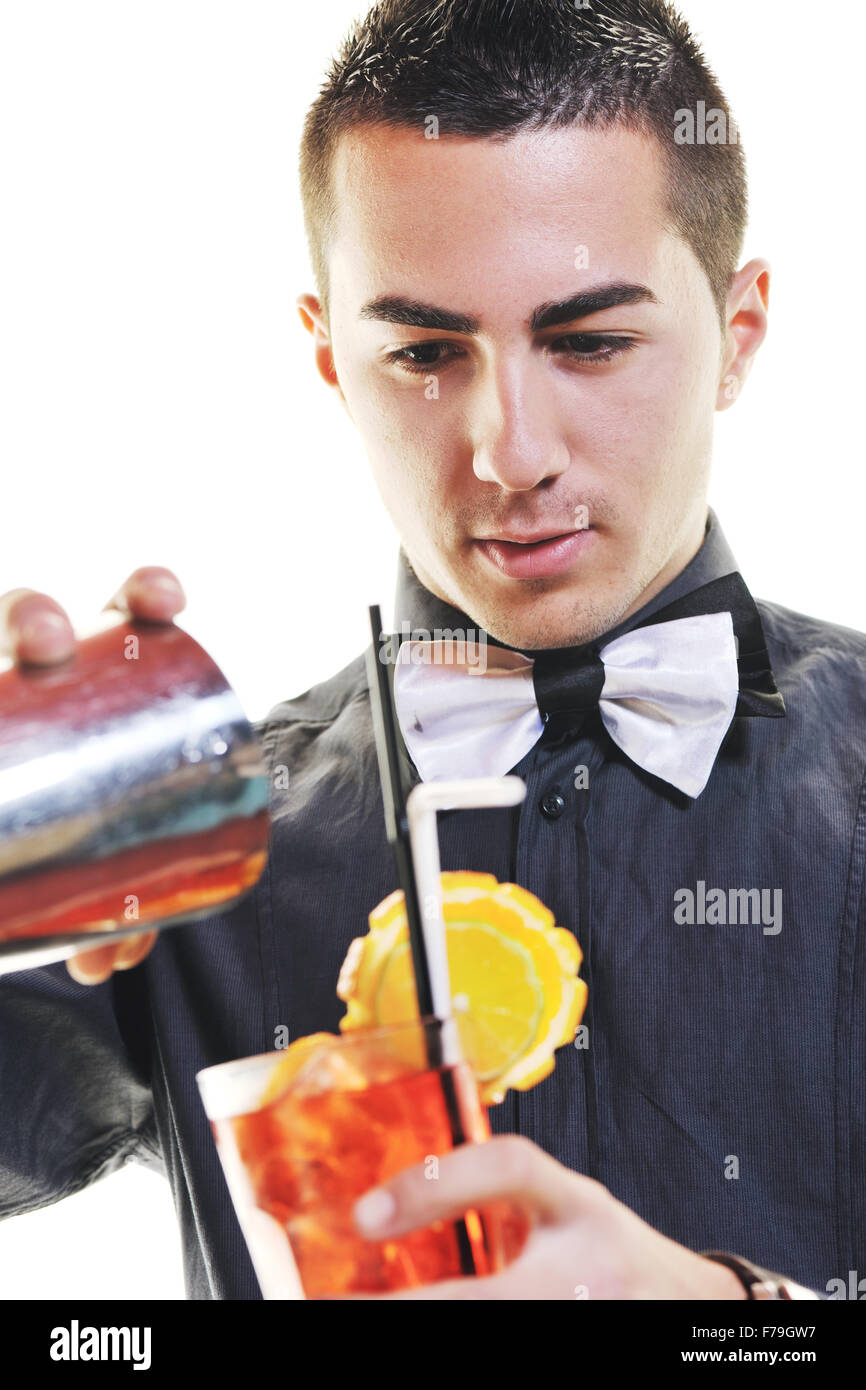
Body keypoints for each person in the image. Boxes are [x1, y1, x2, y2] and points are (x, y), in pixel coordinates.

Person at [1, 0, 863, 1301]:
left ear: (739, 332)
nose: (508, 451)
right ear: (327, 358)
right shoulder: (174, 839)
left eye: (589, 341)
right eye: (419, 351)